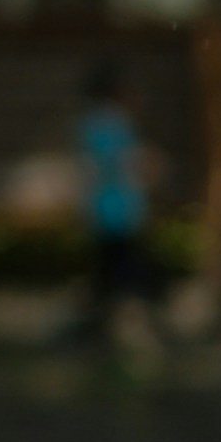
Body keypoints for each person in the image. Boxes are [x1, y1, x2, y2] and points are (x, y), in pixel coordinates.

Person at [75, 71, 168, 345]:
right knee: (124, 273)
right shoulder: (113, 124)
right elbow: (128, 164)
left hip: (104, 210)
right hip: (119, 210)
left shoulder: (90, 124)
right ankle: (122, 328)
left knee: (110, 273)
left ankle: (104, 327)